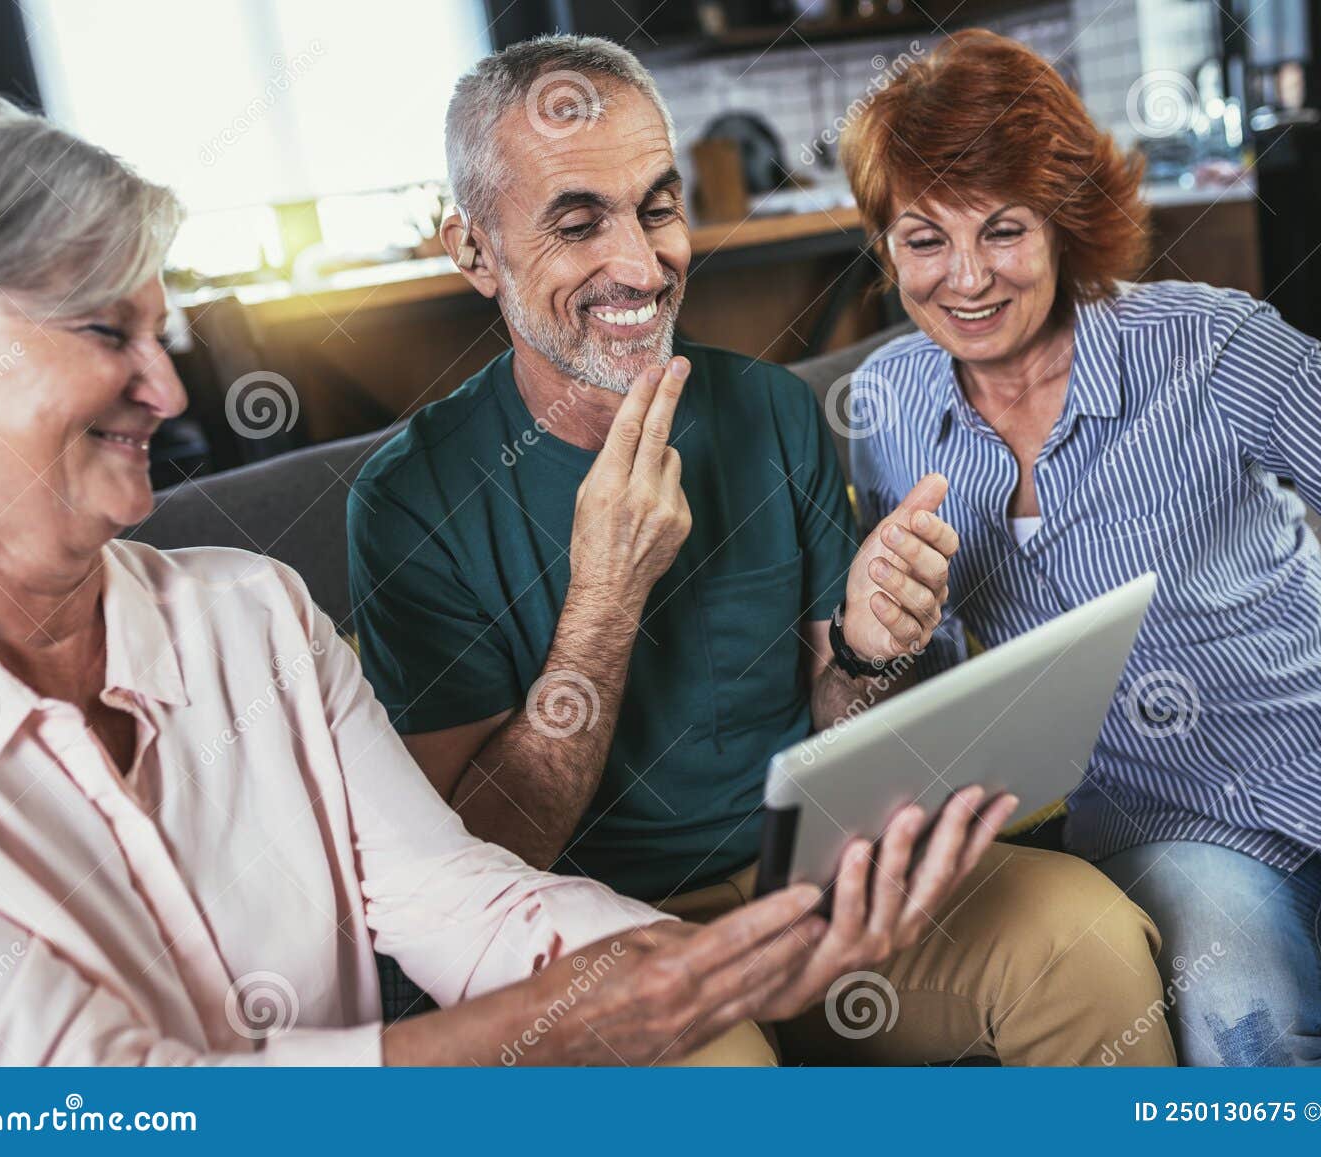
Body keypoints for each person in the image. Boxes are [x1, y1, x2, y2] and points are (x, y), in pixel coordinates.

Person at [0, 84, 1012, 1068]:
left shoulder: (248, 613)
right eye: (107, 330)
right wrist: (587, 1010)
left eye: (167, 333)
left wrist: (715, 963)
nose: (166, 389)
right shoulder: (410, 497)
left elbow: (459, 892)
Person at [348, 34, 1174, 1066]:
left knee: (1087, 941)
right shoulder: (410, 499)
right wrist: (604, 599)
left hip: (808, 883)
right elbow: (471, 865)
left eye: (656, 205)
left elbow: (838, 708)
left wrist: (869, 650)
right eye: (576, 221)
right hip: (593, 930)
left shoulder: (768, 409)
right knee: (724, 1064)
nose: (642, 265)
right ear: (474, 251)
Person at [838, 28, 1321, 1065]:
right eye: (924, 237)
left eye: (1003, 230)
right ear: (886, 247)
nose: (964, 278)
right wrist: (877, 639)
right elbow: (921, 695)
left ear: (1063, 221)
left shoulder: (1208, 345)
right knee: (1236, 1023)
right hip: (1165, 813)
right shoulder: (882, 403)